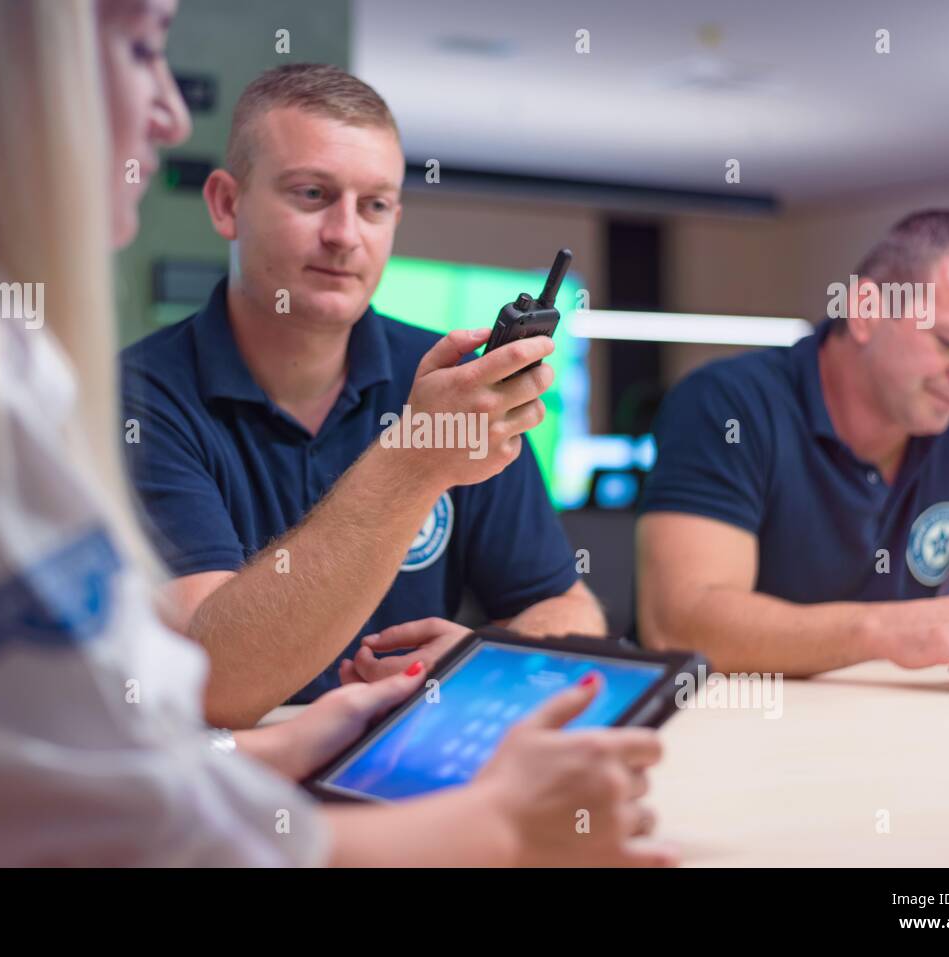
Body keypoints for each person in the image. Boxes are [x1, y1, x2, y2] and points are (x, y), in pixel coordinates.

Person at [0, 0, 673, 867]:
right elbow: (115, 812)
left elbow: (109, 747)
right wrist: (500, 832)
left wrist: (411, 696)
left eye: (375, 205)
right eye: (139, 49)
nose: (170, 113)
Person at [120, 64, 604, 727]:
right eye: (313, 193)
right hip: (229, 790)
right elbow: (214, 683)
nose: (346, 234)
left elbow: (570, 611)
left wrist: (481, 658)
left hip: (410, 768)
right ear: (226, 204)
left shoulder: (449, 379)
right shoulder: (140, 399)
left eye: (374, 205)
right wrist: (416, 459)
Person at [636, 210, 949, 680]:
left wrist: (943, 624)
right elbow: (681, 626)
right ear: (866, 312)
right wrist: (886, 631)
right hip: (735, 731)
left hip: (890, 728)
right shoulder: (727, 405)